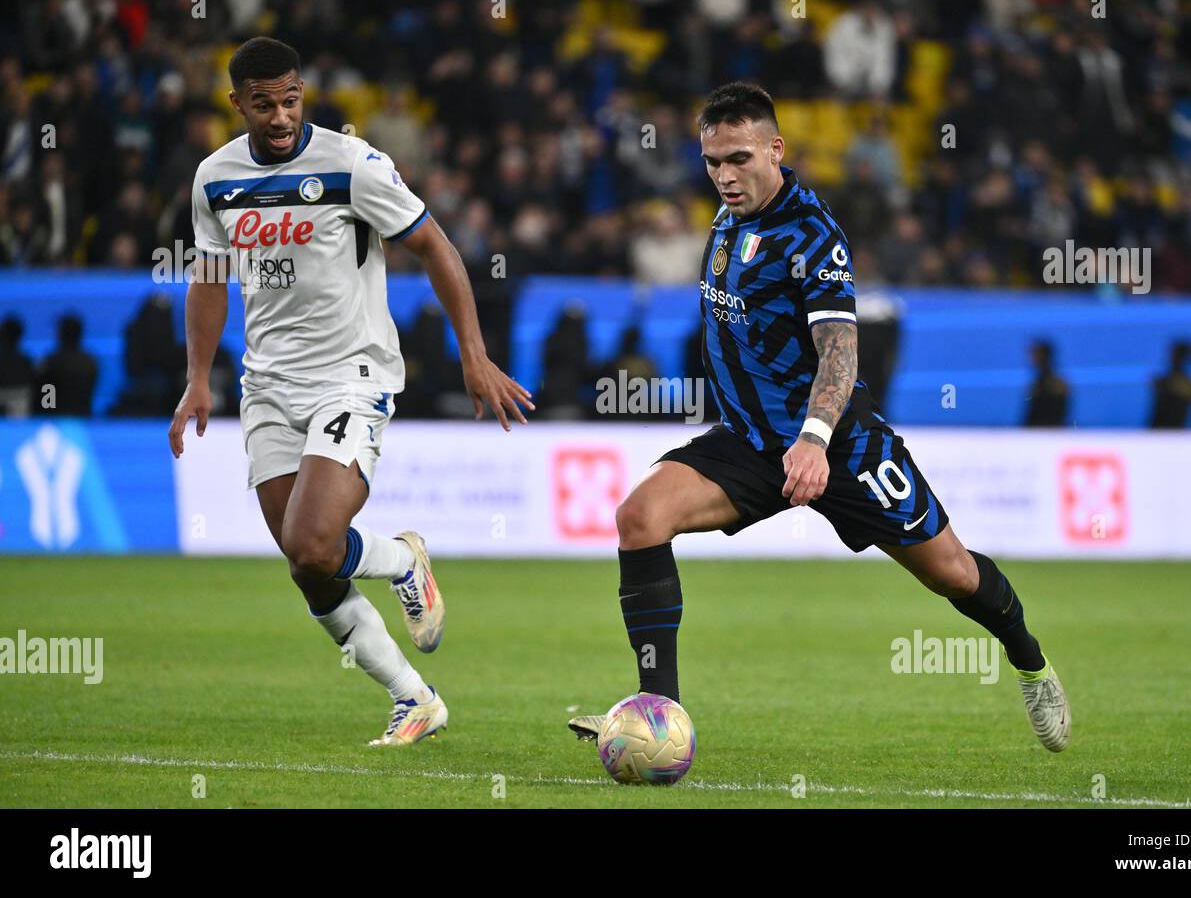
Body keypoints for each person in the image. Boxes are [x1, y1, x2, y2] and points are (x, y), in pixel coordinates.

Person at [569, 83, 1070, 752]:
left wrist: (813, 438)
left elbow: (839, 346)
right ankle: (661, 718)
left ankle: (1029, 658)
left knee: (951, 572)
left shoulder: (811, 234)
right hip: (749, 444)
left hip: (840, 446)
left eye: (739, 158)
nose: (724, 175)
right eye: (712, 161)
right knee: (639, 518)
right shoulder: (725, 222)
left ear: (776, 148)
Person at [169, 38, 532, 746]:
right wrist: (196, 379)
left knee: (312, 540)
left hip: (352, 374)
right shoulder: (214, 178)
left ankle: (402, 560)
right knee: (309, 567)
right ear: (236, 102)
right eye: (264, 103)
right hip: (268, 385)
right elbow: (208, 281)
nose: (279, 116)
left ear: (303, 92)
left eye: (291, 98)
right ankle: (414, 698)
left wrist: (475, 355)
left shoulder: (351, 163)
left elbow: (436, 246)